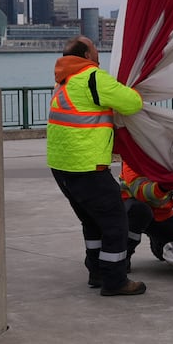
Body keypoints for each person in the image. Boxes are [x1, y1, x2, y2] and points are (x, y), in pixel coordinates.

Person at [48, 35, 147, 296]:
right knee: (116, 223)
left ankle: (96, 272)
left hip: (61, 167)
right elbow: (132, 103)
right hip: (87, 166)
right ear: (87, 56)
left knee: (91, 222)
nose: (98, 55)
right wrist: (136, 90)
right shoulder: (93, 77)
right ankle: (115, 280)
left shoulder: (62, 81)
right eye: (94, 49)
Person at [120, 161, 173, 263]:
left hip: (161, 214)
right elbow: (140, 192)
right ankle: (122, 256)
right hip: (133, 210)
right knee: (140, 211)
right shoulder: (133, 153)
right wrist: (164, 186)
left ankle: (159, 246)